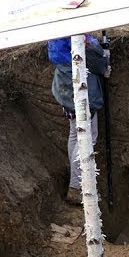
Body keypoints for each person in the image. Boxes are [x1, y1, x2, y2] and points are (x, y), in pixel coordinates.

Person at [47, 35, 110, 205]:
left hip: (66, 92)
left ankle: (75, 184)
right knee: (89, 135)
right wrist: (103, 58)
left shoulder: (58, 43)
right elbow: (98, 64)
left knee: (75, 133)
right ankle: (78, 186)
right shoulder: (78, 48)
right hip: (79, 95)